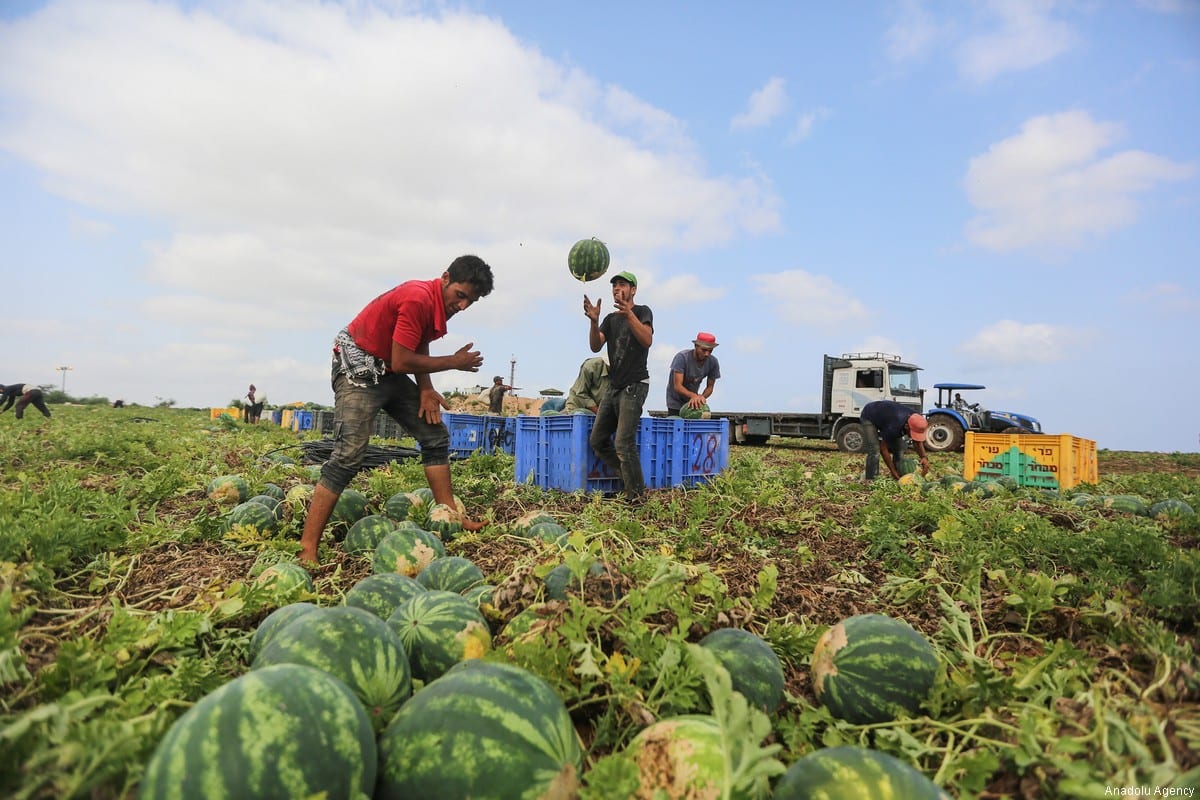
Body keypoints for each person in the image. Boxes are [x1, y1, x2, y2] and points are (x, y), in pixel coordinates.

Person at [300, 255, 495, 564]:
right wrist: (454, 363)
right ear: (445, 278)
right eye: (460, 296)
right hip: (358, 371)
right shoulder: (418, 298)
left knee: (434, 436)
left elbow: (419, 344)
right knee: (348, 456)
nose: (462, 306)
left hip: (387, 370)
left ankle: (452, 517)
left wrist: (426, 389)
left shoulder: (436, 306)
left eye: (470, 301)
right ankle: (308, 547)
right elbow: (403, 360)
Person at [584, 270, 653, 501]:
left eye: (622, 285)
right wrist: (594, 323)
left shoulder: (643, 312)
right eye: (614, 286)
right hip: (614, 387)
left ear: (633, 289)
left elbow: (647, 340)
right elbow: (595, 346)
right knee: (597, 440)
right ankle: (627, 481)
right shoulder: (611, 320)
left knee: (624, 442)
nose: (616, 289)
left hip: (635, 385)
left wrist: (629, 315)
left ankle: (636, 496)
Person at [859, 400, 929, 481]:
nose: (912, 436)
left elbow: (917, 441)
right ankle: (871, 479)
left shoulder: (916, 419)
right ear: (906, 426)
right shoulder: (894, 425)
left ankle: (899, 474)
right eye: (912, 433)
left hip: (887, 418)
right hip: (869, 415)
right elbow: (883, 449)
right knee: (875, 450)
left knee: (899, 448)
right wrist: (892, 470)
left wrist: (924, 457)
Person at [665, 332, 721, 416]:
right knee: (676, 423)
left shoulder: (713, 362)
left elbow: (710, 387)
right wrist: (693, 396)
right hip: (675, 400)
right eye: (704, 350)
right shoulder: (682, 358)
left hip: (694, 401)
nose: (707, 354)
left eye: (710, 351)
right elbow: (677, 386)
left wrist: (702, 397)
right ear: (696, 346)